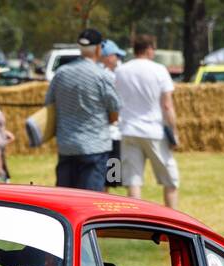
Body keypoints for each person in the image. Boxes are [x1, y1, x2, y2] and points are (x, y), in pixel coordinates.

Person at [46, 28, 119, 192]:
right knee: (89, 201)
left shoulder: (61, 73)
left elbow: (49, 104)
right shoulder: (102, 76)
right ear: (99, 48)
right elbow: (114, 113)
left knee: (65, 199)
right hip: (95, 147)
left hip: (67, 146)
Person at [114, 34, 179, 208]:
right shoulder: (159, 70)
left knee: (134, 181)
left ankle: (136, 223)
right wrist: (173, 132)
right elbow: (167, 105)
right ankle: (174, 220)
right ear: (149, 49)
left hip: (128, 129)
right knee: (170, 180)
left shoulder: (121, 71)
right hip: (154, 130)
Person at [100, 39, 125, 189]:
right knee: (110, 179)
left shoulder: (111, 74)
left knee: (109, 179)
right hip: (112, 134)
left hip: (110, 134)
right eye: (116, 55)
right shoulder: (108, 76)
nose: (118, 59)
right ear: (109, 57)